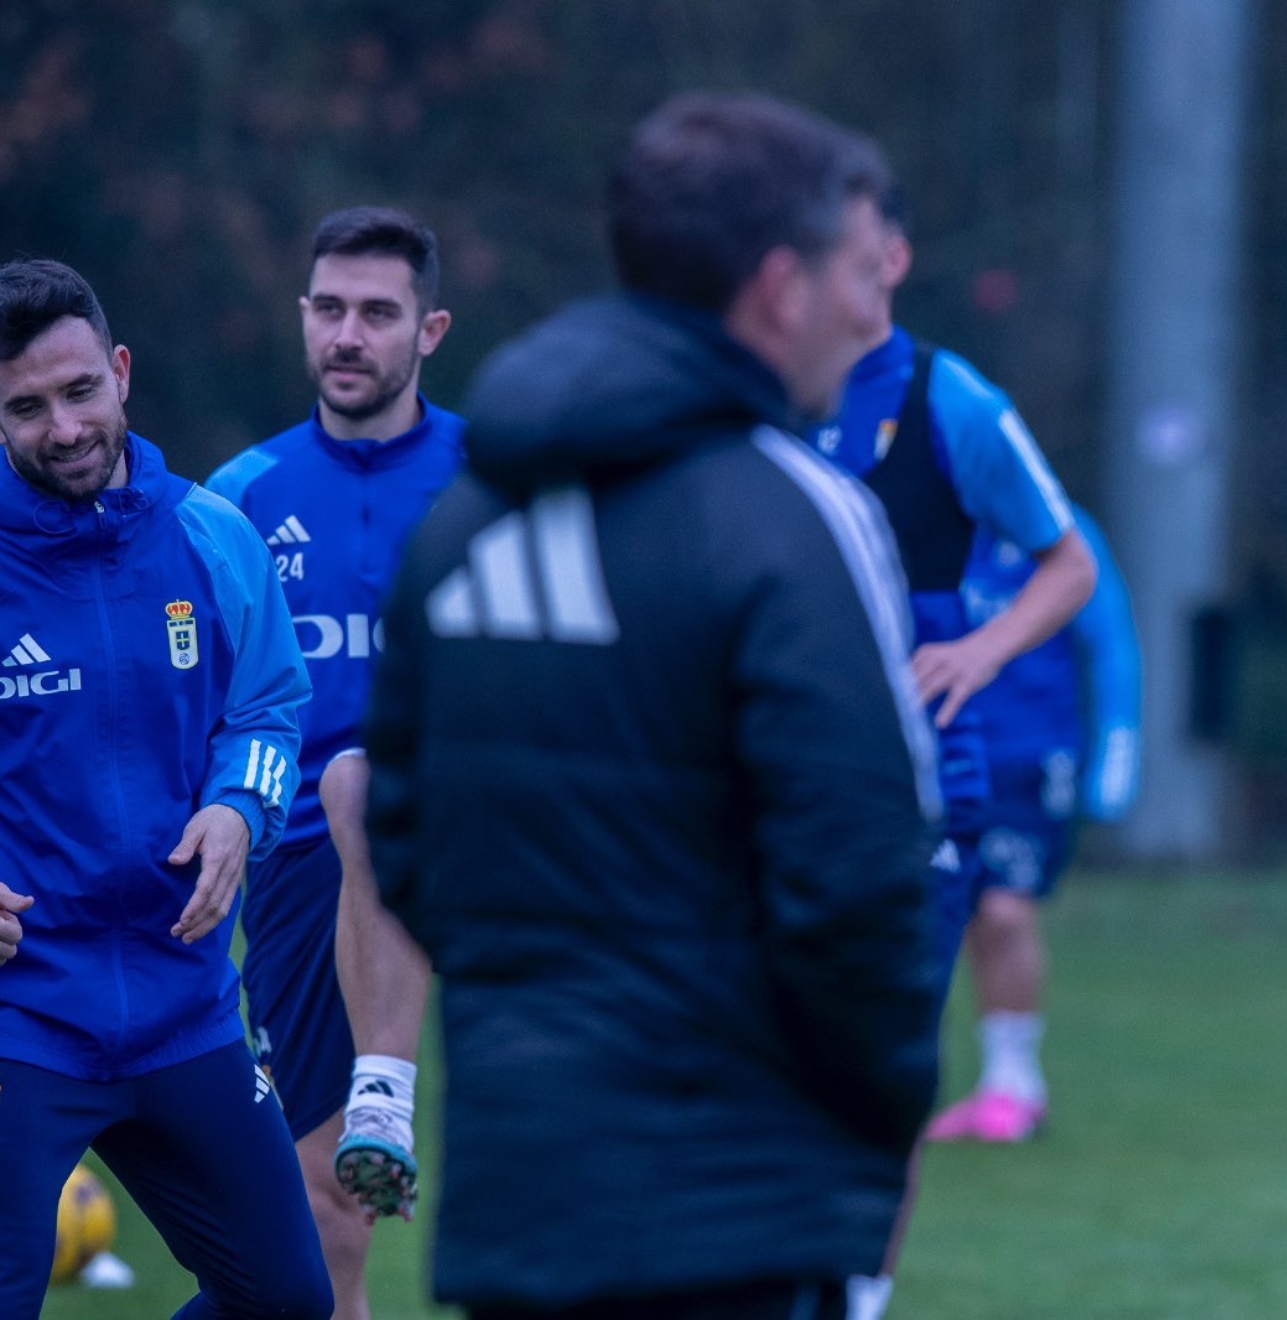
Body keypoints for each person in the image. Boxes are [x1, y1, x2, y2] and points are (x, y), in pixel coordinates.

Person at [364, 92, 945, 1320]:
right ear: (780, 288)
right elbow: (867, 879)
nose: (866, 306)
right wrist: (879, 1108)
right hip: (734, 1207)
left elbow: (405, 838)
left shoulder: (465, 518)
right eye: (852, 269)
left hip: (520, 1194)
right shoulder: (795, 514)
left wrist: (540, 1019)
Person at [0, 258, 331, 1319]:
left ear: (123, 372)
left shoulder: (212, 537)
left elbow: (271, 711)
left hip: (186, 1002)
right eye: (26, 407)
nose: (62, 427)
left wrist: (241, 805)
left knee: (285, 1301)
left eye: (79, 390)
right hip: (20, 1018)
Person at [805, 189, 1095, 1320]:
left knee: (883, 1071)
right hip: (773, 792)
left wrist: (976, 649)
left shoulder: (948, 398)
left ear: (894, 255)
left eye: (853, 242)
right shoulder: (757, 396)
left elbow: (1067, 565)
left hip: (921, 795)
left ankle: (859, 1299)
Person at [206, 206, 462, 1314]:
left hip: (486, 827)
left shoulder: (499, 479)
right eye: (329, 309)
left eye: (378, 312)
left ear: (431, 330)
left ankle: (385, 1091)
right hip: (301, 866)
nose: (347, 334)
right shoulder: (236, 500)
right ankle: (373, 1110)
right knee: (320, 1212)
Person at [925, 504, 1141, 1143]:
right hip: (938, 752)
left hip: (1031, 760)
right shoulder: (922, 515)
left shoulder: (1059, 527)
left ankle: (1014, 1084)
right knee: (941, 913)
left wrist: (1115, 762)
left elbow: (1111, 646)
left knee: (1004, 913)